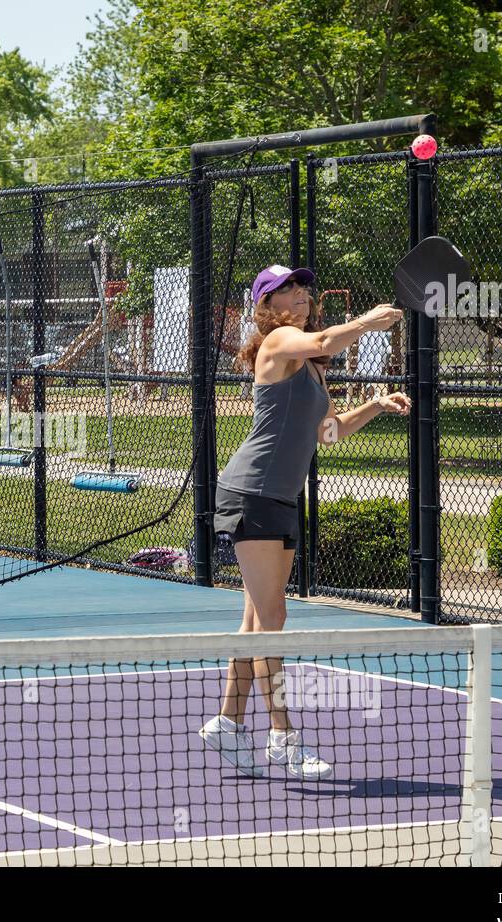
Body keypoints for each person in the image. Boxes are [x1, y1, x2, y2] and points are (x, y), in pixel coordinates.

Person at [200, 265, 409, 780]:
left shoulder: (313, 367)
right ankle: (282, 738)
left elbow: (327, 433)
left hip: (279, 498)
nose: (303, 293)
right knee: (273, 622)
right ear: (267, 304)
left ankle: (227, 723)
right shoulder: (281, 342)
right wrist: (369, 321)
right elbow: (321, 337)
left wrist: (376, 406)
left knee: (257, 622)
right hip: (252, 494)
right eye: (290, 288)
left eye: (303, 287)